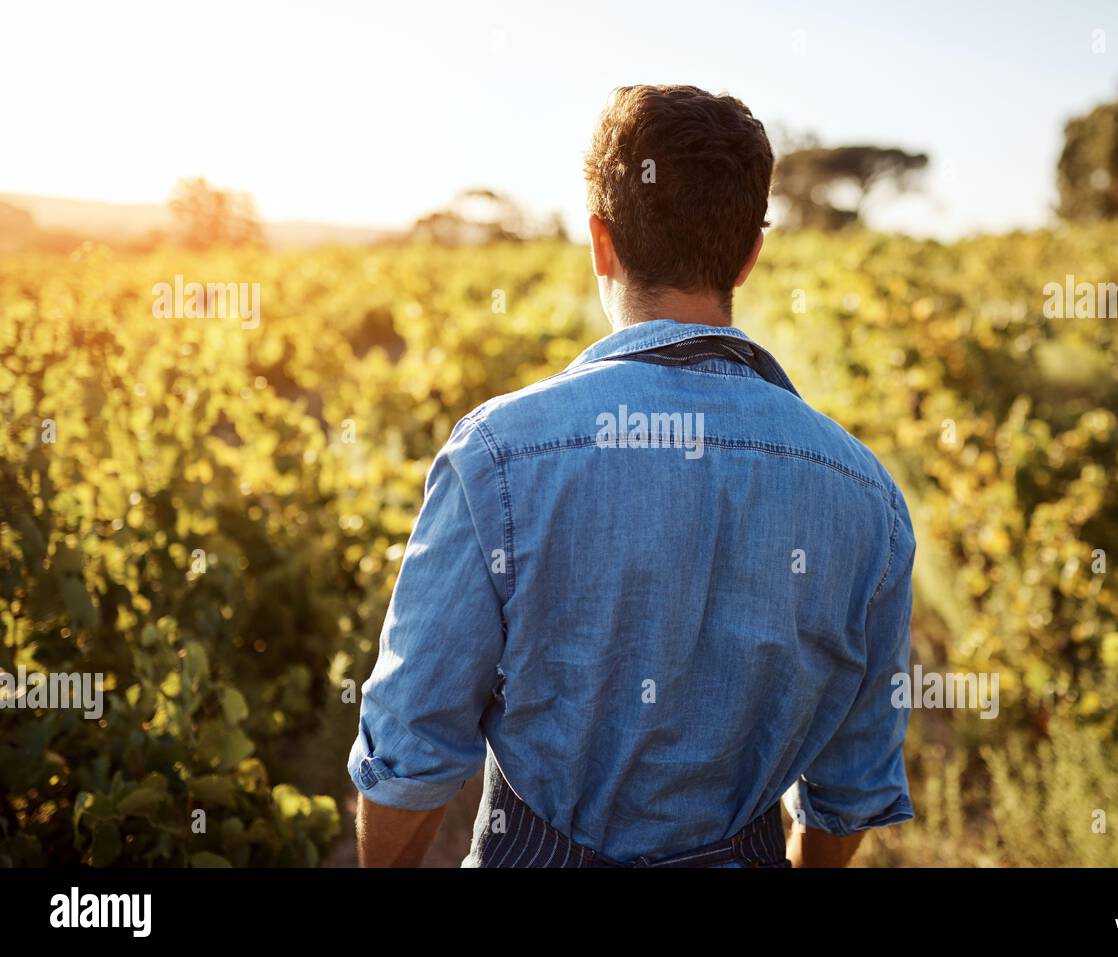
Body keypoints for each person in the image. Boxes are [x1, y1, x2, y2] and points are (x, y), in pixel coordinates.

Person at [349, 84, 916, 868]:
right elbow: (851, 789)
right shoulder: (868, 496)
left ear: (599, 243)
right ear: (750, 256)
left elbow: (409, 758)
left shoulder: (497, 458)